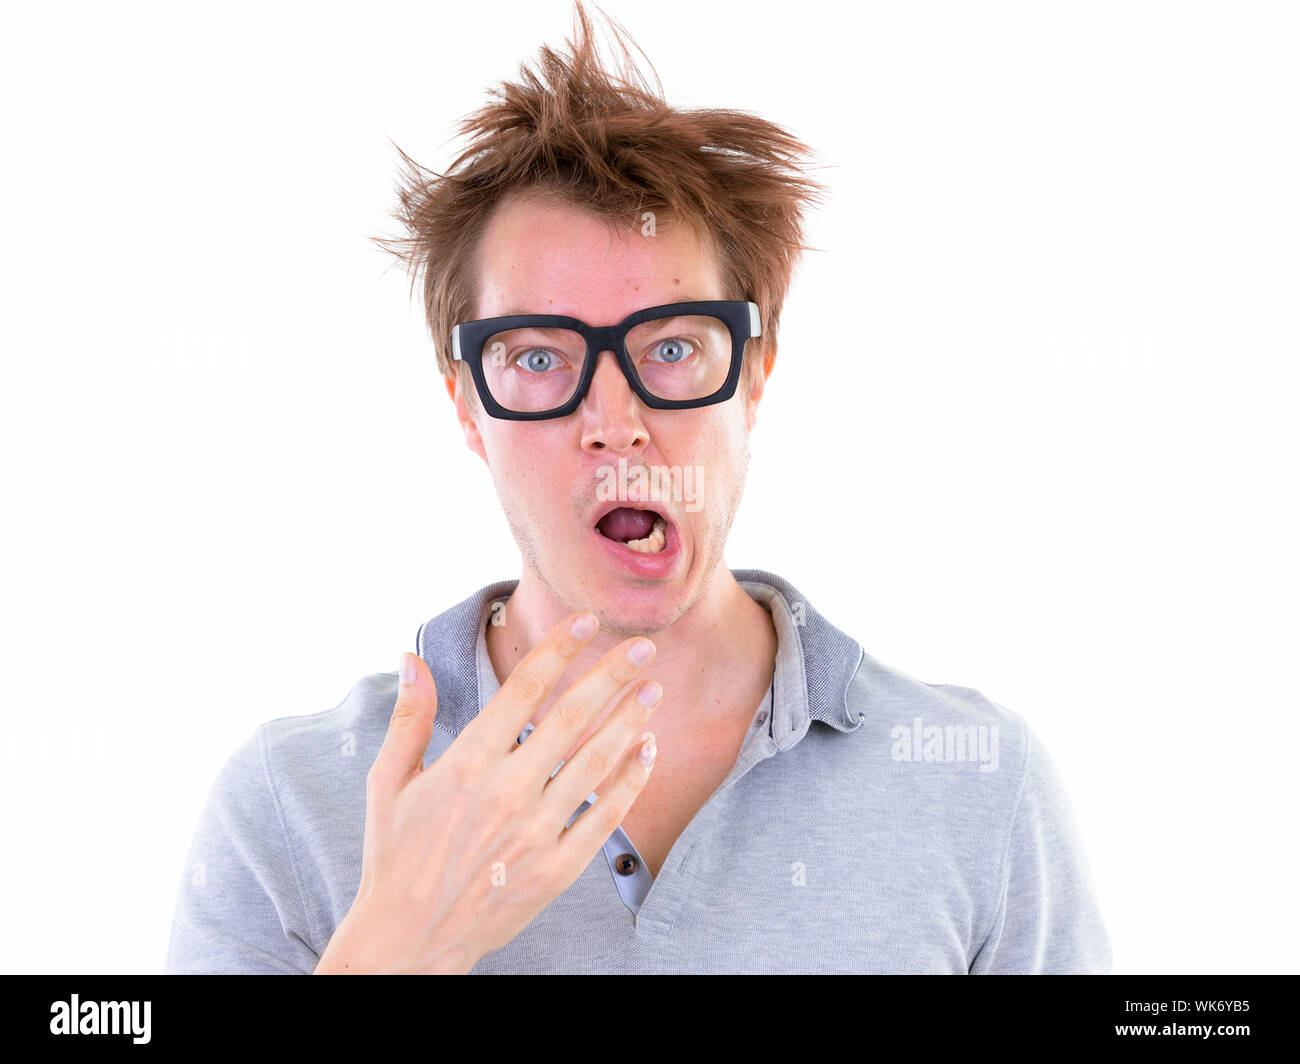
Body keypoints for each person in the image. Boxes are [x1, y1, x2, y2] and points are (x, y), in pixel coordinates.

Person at [166, 2, 1110, 975]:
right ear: (466, 405)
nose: (612, 419)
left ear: (755, 372)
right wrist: (394, 944)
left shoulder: (979, 790)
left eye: (669, 347)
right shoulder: (293, 804)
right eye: (538, 355)